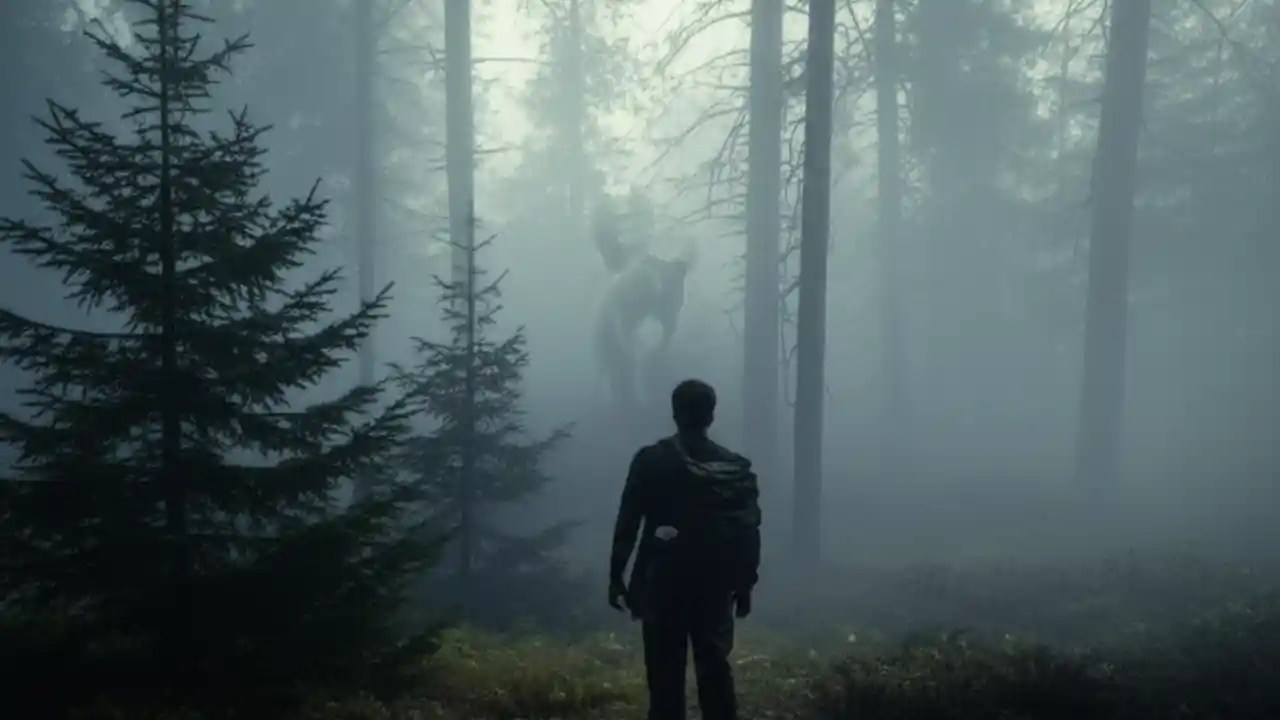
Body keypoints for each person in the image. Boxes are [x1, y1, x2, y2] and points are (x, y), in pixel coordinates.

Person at [608, 379, 762, 720]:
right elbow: (748, 531)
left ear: (675, 413)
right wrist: (745, 585)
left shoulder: (652, 460)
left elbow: (628, 522)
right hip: (715, 585)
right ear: (711, 415)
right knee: (715, 671)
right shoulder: (734, 469)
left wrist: (617, 577)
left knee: (664, 680)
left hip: (662, 582)